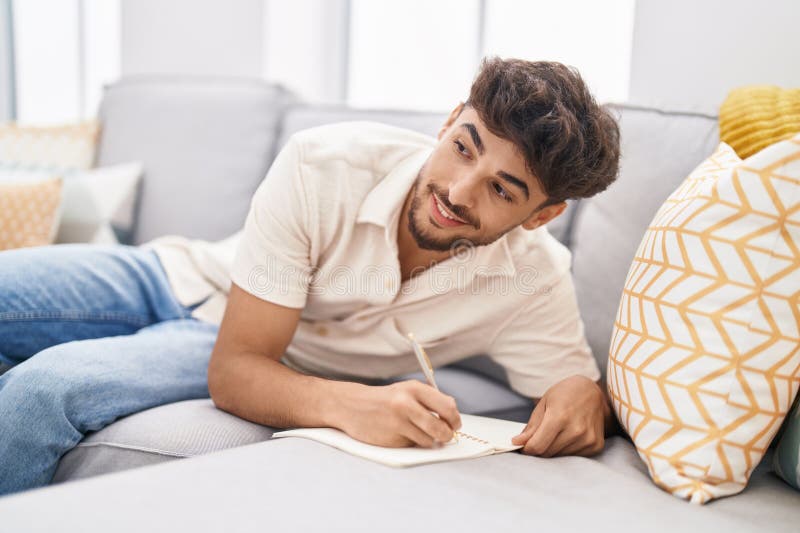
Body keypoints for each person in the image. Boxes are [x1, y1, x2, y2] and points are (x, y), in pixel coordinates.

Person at [0, 57, 620, 496]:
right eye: (464, 147)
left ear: (543, 215)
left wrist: (582, 399)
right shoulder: (326, 164)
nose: (457, 192)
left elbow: (237, 366)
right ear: (450, 119)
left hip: (235, 341)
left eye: (501, 190)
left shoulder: (531, 281)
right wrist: (350, 404)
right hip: (173, 272)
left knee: (42, 391)